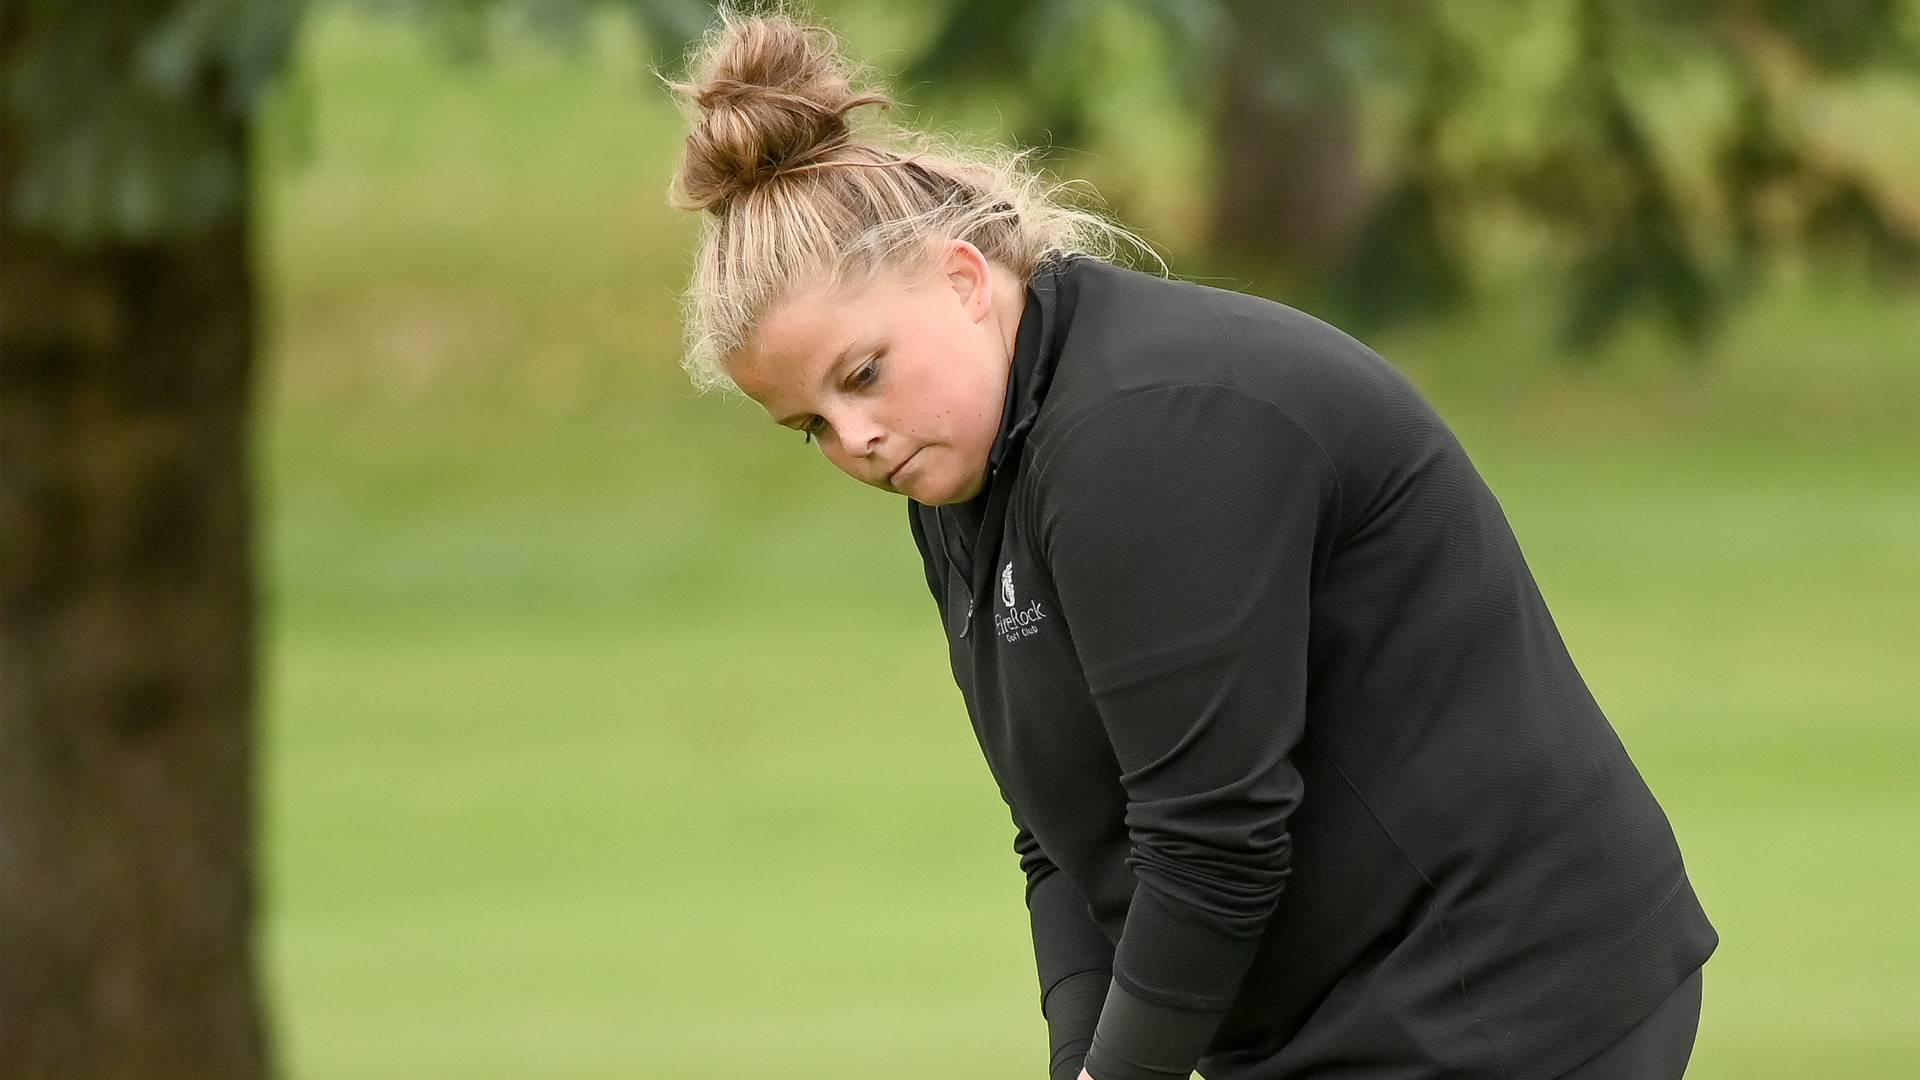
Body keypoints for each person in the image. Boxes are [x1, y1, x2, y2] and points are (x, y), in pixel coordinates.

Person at [668, 13, 1717, 1080]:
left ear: (962, 280)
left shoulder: (1144, 432)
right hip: (1335, 1011)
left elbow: (1212, 842)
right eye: (811, 425)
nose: (856, 440)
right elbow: (1066, 837)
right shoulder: (961, 469)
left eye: (861, 375)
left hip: (1505, 997)